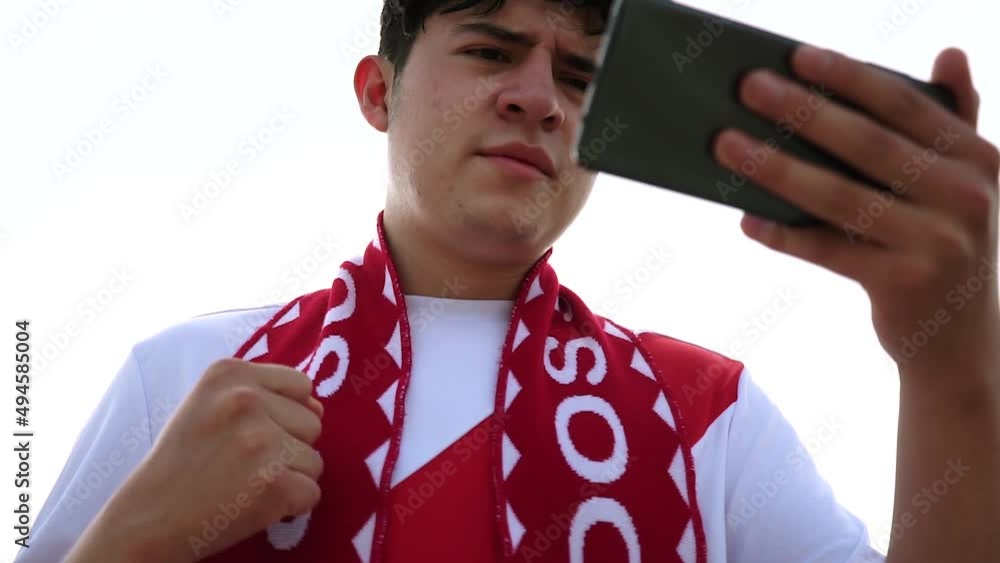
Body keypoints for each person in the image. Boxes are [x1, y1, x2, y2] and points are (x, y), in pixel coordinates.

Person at [18, 0, 1000, 562]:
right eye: (491, 49)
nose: (537, 98)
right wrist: (131, 540)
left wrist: (951, 366)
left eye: (578, 80)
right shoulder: (186, 377)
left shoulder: (717, 417)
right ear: (376, 90)